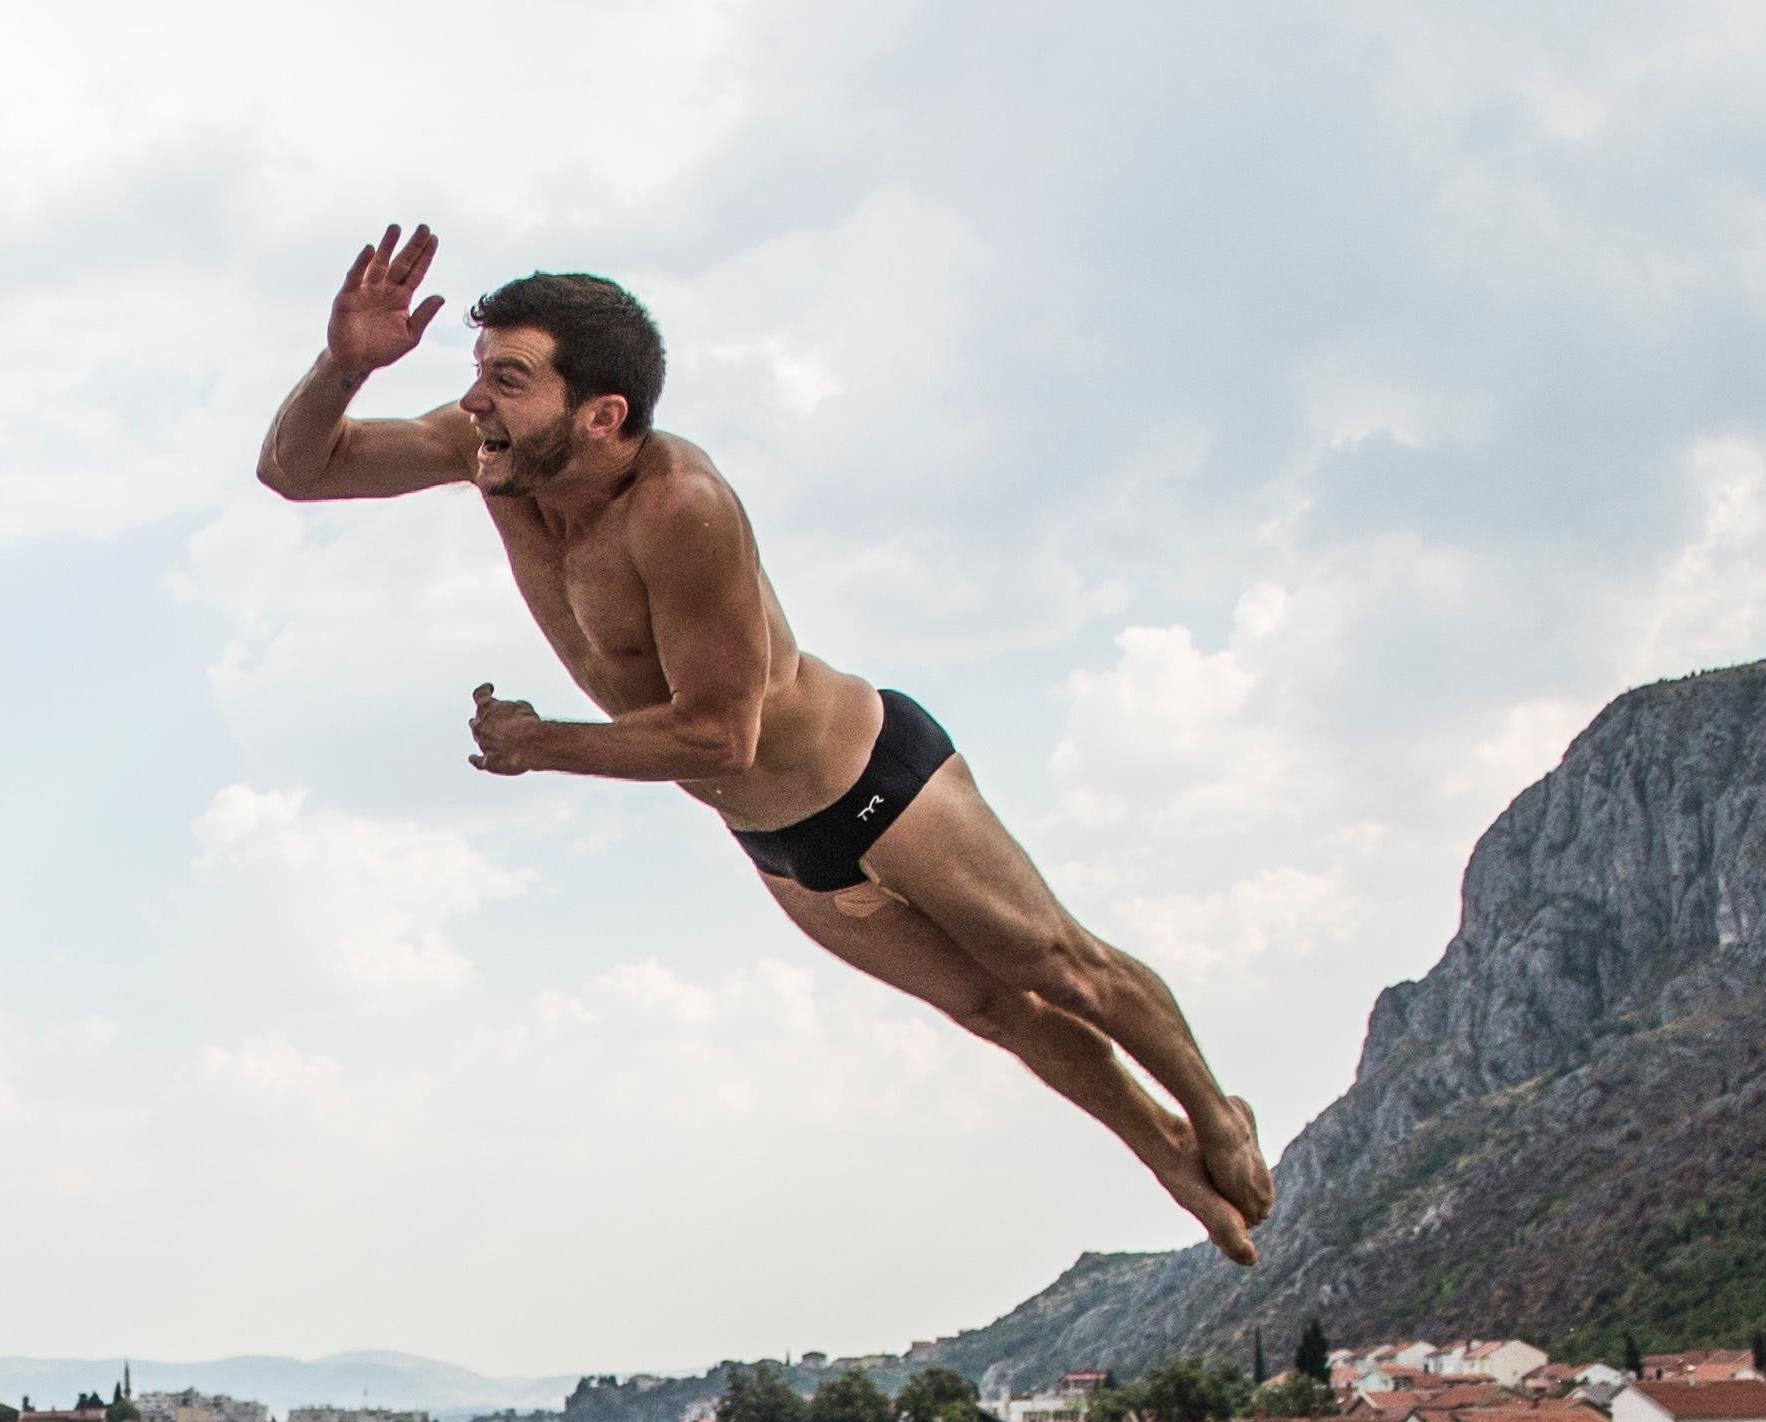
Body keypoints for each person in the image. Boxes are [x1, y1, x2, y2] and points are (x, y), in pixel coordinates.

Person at [256, 225, 1278, 1263]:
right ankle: (1166, 1153)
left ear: (601, 415)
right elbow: (300, 471)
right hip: (784, 846)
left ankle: (1212, 1109)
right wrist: (343, 368)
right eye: (479, 375)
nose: (477, 400)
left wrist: (541, 742)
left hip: (879, 783)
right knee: (994, 1011)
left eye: (508, 380)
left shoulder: (680, 507)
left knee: (1060, 967)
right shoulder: (489, 460)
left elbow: (719, 733)